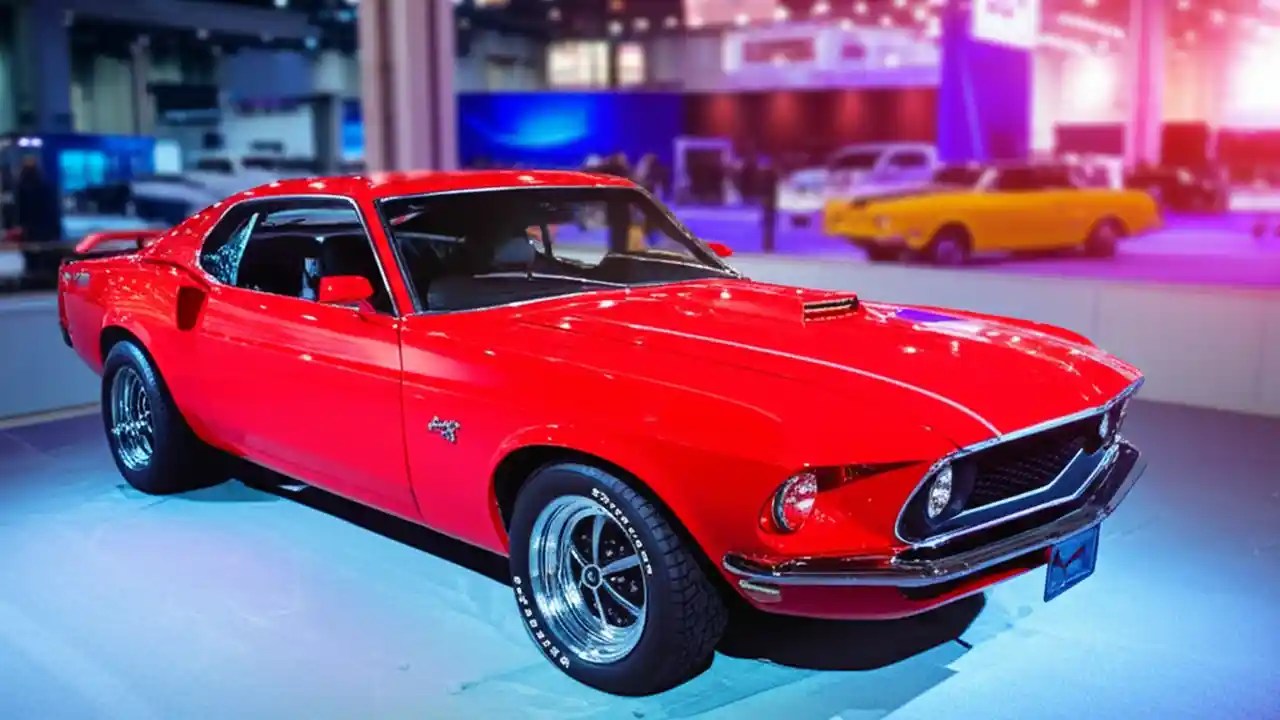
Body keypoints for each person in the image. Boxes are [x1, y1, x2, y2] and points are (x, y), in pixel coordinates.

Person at [14, 157, 61, 281]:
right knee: (42, 253)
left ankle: (34, 273)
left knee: (32, 254)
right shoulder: (45, 186)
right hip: (43, 228)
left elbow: (21, 210)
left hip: (32, 228)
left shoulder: (22, 187)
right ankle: (41, 274)